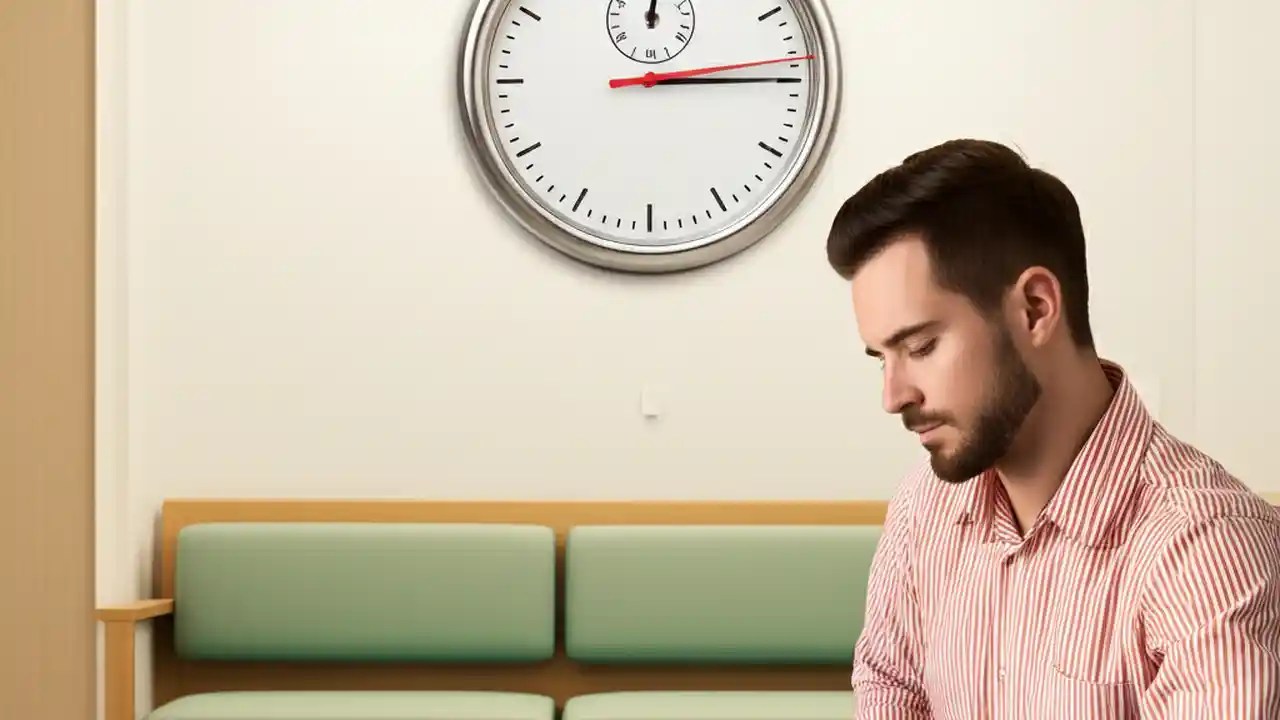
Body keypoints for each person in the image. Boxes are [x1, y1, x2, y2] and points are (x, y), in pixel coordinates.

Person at [825, 139, 1280, 718]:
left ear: (1036, 309)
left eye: (921, 346)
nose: (893, 396)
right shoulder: (926, 506)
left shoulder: (1204, 549)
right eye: (881, 357)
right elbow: (889, 684)